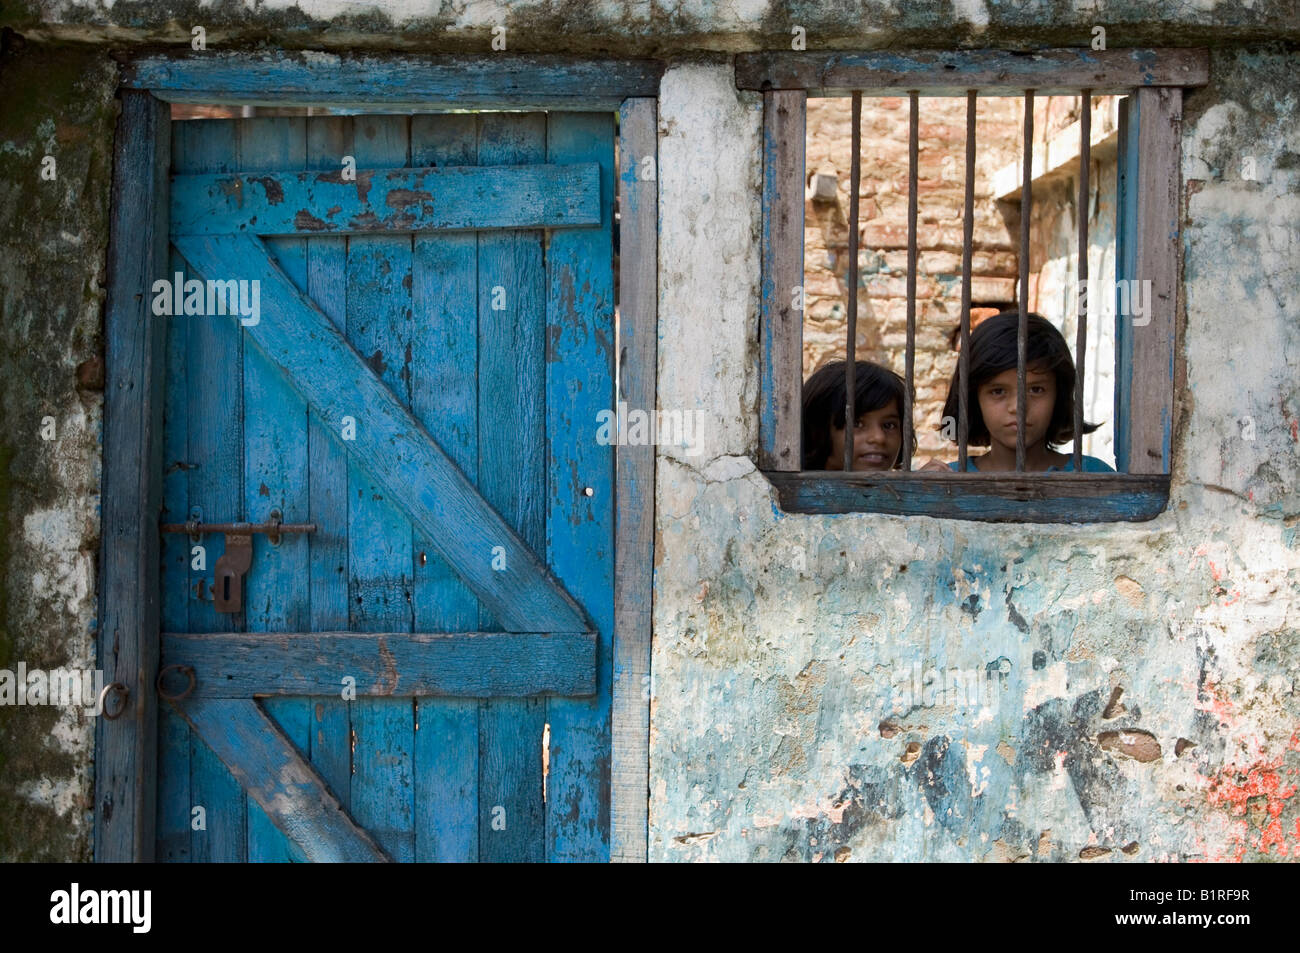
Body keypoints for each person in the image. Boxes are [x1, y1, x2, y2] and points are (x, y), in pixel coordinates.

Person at [918, 310, 1116, 473]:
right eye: (997, 392)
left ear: (1059, 395)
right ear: (973, 398)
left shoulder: (1093, 475)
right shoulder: (949, 481)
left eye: (1036, 390)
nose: (1017, 407)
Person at [802, 359, 910, 471]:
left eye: (889, 425)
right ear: (818, 431)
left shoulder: (910, 488)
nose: (879, 438)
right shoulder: (788, 488)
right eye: (857, 424)